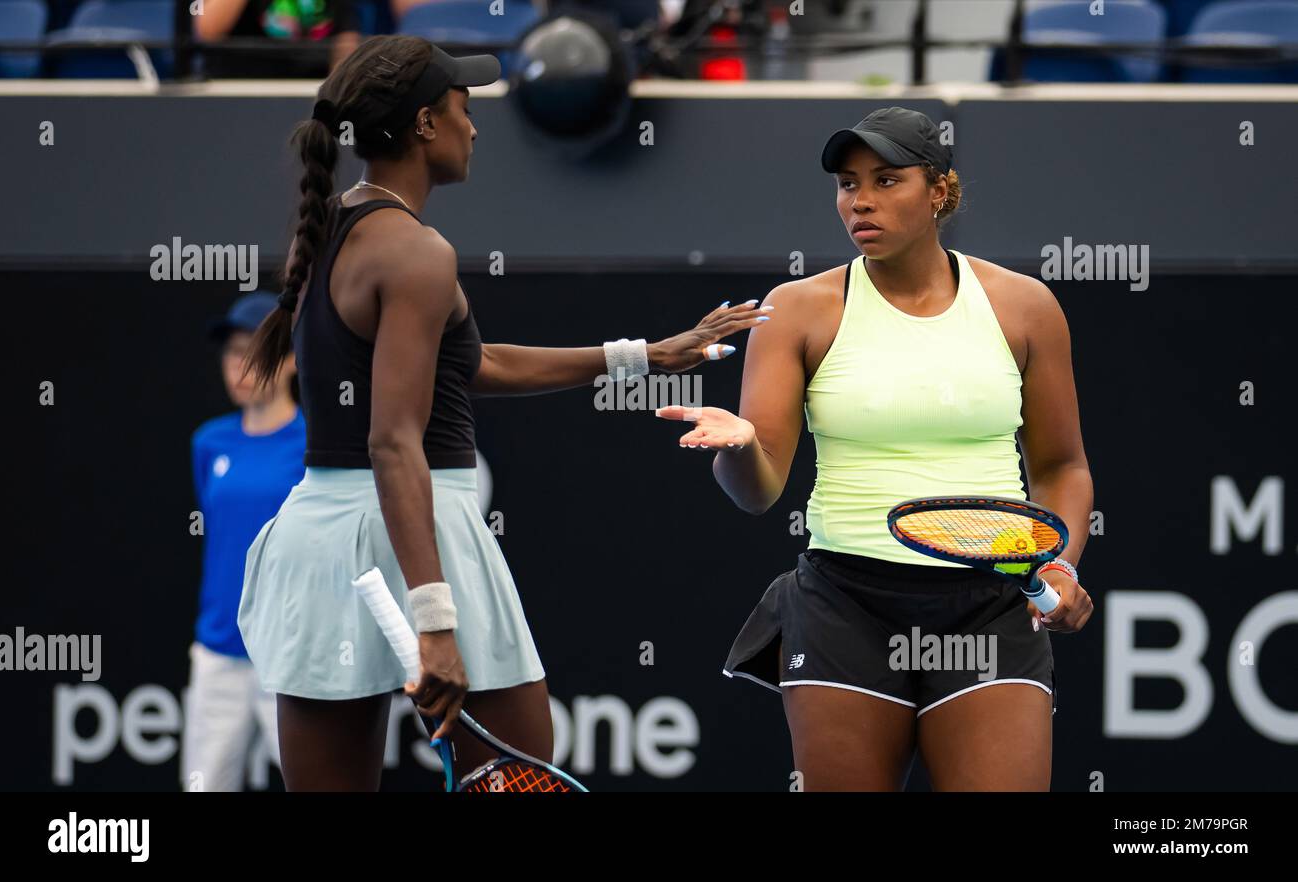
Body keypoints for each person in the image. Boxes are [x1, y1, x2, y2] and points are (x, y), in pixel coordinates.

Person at [236, 34, 769, 790]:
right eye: (463, 106)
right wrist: (435, 621)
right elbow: (393, 442)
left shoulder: (328, 227)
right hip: (423, 530)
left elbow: (470, 365)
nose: (475, 126)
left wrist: (643, 355)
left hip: (320, 541)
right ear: (426, 124)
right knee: (525, 779)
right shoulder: (417, 252)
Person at [657, 107, 1095, 791]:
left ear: (939, 191)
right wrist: (740, 448)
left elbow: (1061, 466)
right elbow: (757, 492)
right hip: (843, 607)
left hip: (992, 601)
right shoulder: (796, 309)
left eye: (886, 180)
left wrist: (1060, 569)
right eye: (847, 183)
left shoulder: (1025, 307)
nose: (859, 200)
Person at [183, 291, 303, 791]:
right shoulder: (209, 442)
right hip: (219, 649)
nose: (240, 365)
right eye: (233, 352)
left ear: (292, 360)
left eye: (255, 351)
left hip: (293, 654)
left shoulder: (318, 444)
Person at [194, 0, 361, 79]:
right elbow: (208, 31)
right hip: (238, 89)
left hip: (310, 92)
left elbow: (346, 39)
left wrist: (333, 98)